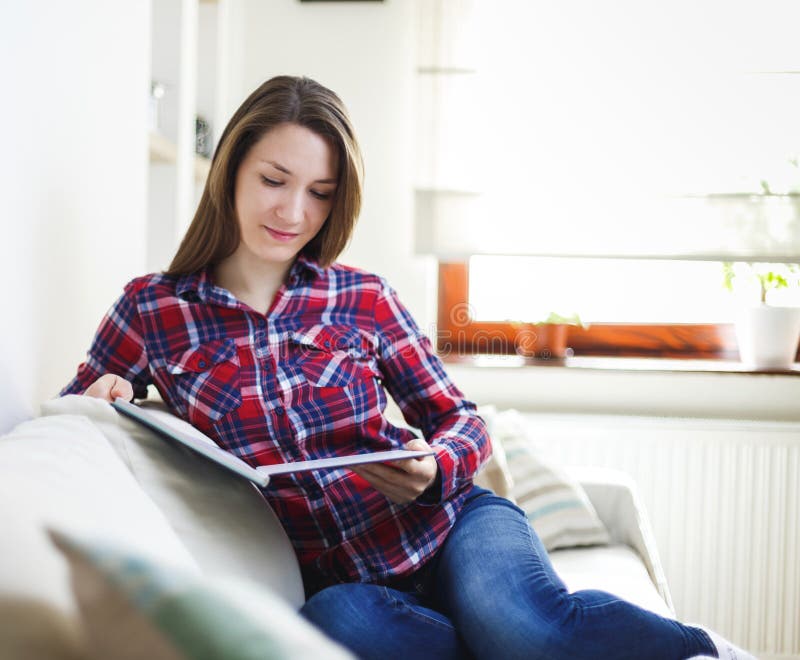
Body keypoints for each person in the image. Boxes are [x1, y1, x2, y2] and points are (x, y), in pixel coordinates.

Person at [62, 75, 752, 660]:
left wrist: (433, 473)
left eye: (320, 192)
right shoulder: (153, 308)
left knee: (520, 623)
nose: (293, 211)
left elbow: (460, 419)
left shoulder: (361, 297)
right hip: (344, 585)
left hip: (450, 527)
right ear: (231, 170)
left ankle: (704, 650)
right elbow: (79, 412)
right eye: (274, 179)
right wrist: (106, 391)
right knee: (335, 629)